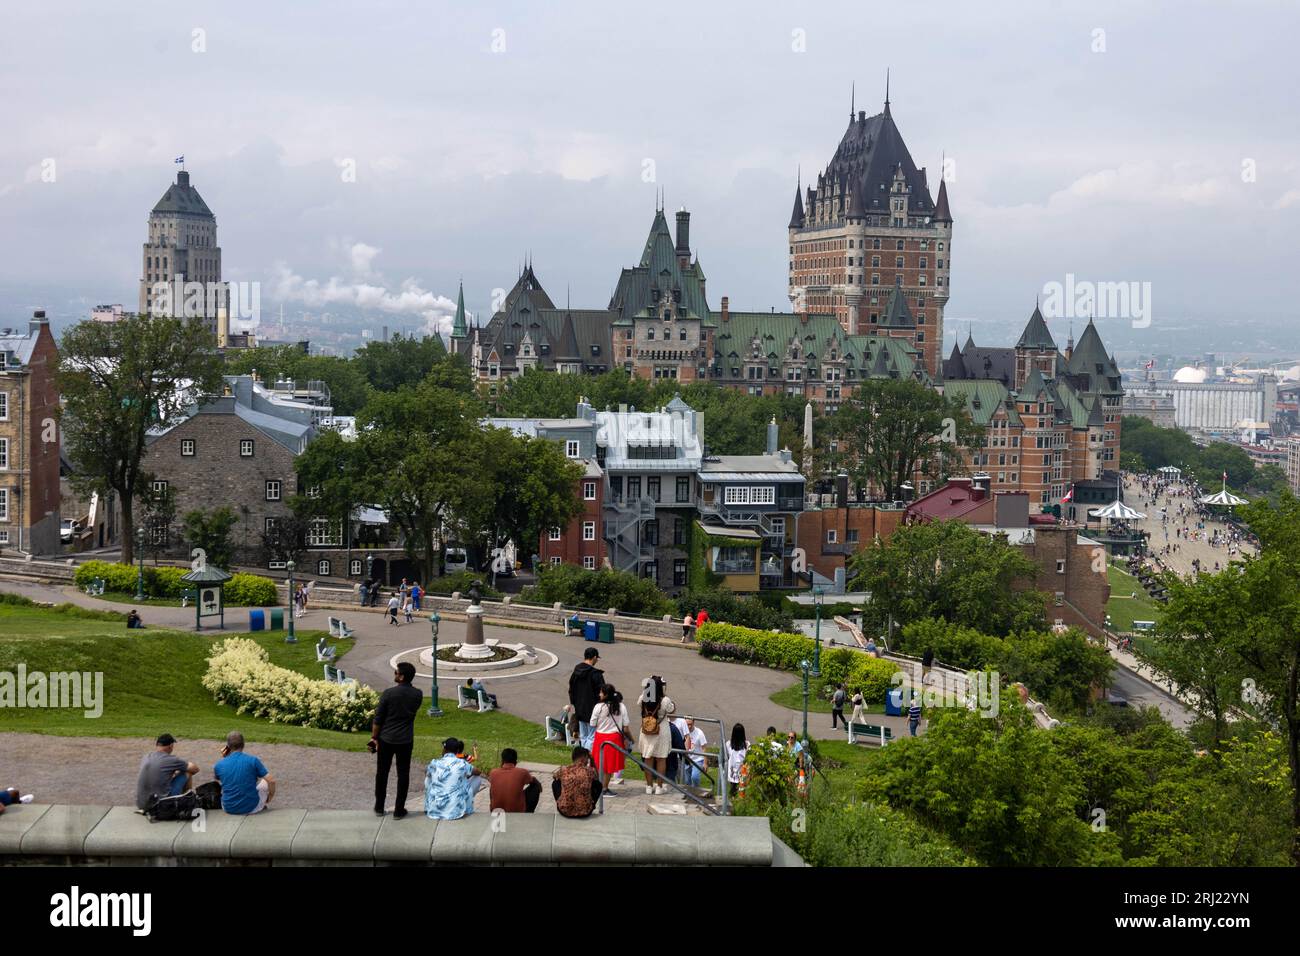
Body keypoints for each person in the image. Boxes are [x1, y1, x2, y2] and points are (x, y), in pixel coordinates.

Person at [369, 661, 423, 818]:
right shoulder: (417, 694)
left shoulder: (388, 694)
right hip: (405, 740)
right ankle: (399, 810)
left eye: (396, 672)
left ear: (402, 676)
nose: (394, 674)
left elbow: (378, 720)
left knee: (382, 773)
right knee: (403, 774)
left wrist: (374, 738)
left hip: (386, 739)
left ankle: (379, 807)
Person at [213, 732, 275, 815]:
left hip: (228, 807)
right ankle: (261, 805)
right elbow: (271, 780)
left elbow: (219, 778)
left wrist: (225, 758)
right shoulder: (253, 760)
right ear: (243, 744)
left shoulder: (219, 765)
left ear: (228, 746)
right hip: (251, 808)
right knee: (264, 781)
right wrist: (270, 796)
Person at [135, 733, 199, 810]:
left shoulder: (147, 756)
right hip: (160, 806)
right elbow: (195, 769)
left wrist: (172, 773)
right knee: (187, 772)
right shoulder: (171, 760)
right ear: (171, 746)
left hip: (142, 804)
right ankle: (187, 800)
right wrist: (182, 768)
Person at [425, 737, 483, 820]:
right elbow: (478, 772)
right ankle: (466, 806)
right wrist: (464, 776)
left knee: (428, 778)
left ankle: (428, 806)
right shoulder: (462, 763)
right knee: (477, 778)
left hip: (434, 811)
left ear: (444, 749)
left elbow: (426, 773)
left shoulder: (434, 762)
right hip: (456, 812)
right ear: (457, 750)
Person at [589, 683, 633, 792]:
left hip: (600, 737)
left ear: (605, 694)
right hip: (614, 738)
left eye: (601, 692)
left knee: (599, 764)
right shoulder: (621, 706)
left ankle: (596, 787)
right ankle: (604, 788)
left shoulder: (598, 707)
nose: (599, 694)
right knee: (609, 766)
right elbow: (626, 727)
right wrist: (631, 739)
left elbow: (592, 724)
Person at [637, 675, 676, 795]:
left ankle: (649, 786)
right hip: (661, 730)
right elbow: (671, 710)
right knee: (661, 759)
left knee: (648, 758)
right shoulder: (665, 700)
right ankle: (659, 787)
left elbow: (639, 704)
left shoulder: (644, 697)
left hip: (647, 730)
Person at [568, 647, 604, 751]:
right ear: (594, 657)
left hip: (579, 709)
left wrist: (574, 704)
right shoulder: (596, 674)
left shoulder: (576, 672)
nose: (597, 661)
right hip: (593, 710)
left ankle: (583, 758)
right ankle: (588, 758)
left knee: (583, 736)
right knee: (592, 737)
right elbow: (602, 692)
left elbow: (571, 690)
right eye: (597, 658)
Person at [551, 746, 602, 819]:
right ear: (584, 757)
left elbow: (554, 777)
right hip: (586, 812)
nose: (587, 761)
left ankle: (562, 803)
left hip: (565, 811)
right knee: (597, 784)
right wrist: (592, 760)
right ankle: (591, 804)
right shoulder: (590, 771)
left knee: (555, 783)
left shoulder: (564, 770)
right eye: (587, 759)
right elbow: (598, 779)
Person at [489, 748, 541, 814]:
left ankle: (493, 808)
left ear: (502, 761)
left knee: (492, 788)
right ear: (516, 762)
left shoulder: (493, 773)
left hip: (497, 811)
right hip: (517, 811)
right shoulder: (522, 772)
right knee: (535, 787)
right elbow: (533, 781)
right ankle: (528, 813)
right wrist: (539, 785)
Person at [675, 715, 708, 789]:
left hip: (697, 760)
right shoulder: (681, 732)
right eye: (687, 725)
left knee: (695, 777)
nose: (689, 726)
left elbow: (704, 748)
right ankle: (689, 793)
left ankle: (696, 790)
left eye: (690, 724)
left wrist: (705, 763)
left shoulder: (699, 733)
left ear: (694, 723)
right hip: (686, 760)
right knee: (687, 781)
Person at [723, 724, 749, 799]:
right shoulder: (746, 745)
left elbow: (727, 756)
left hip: (734, 769)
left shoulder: (728, 744)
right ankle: (737, 801)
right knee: (741, 789)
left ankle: (733, 799)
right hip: (741, 770)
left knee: (734, 788)